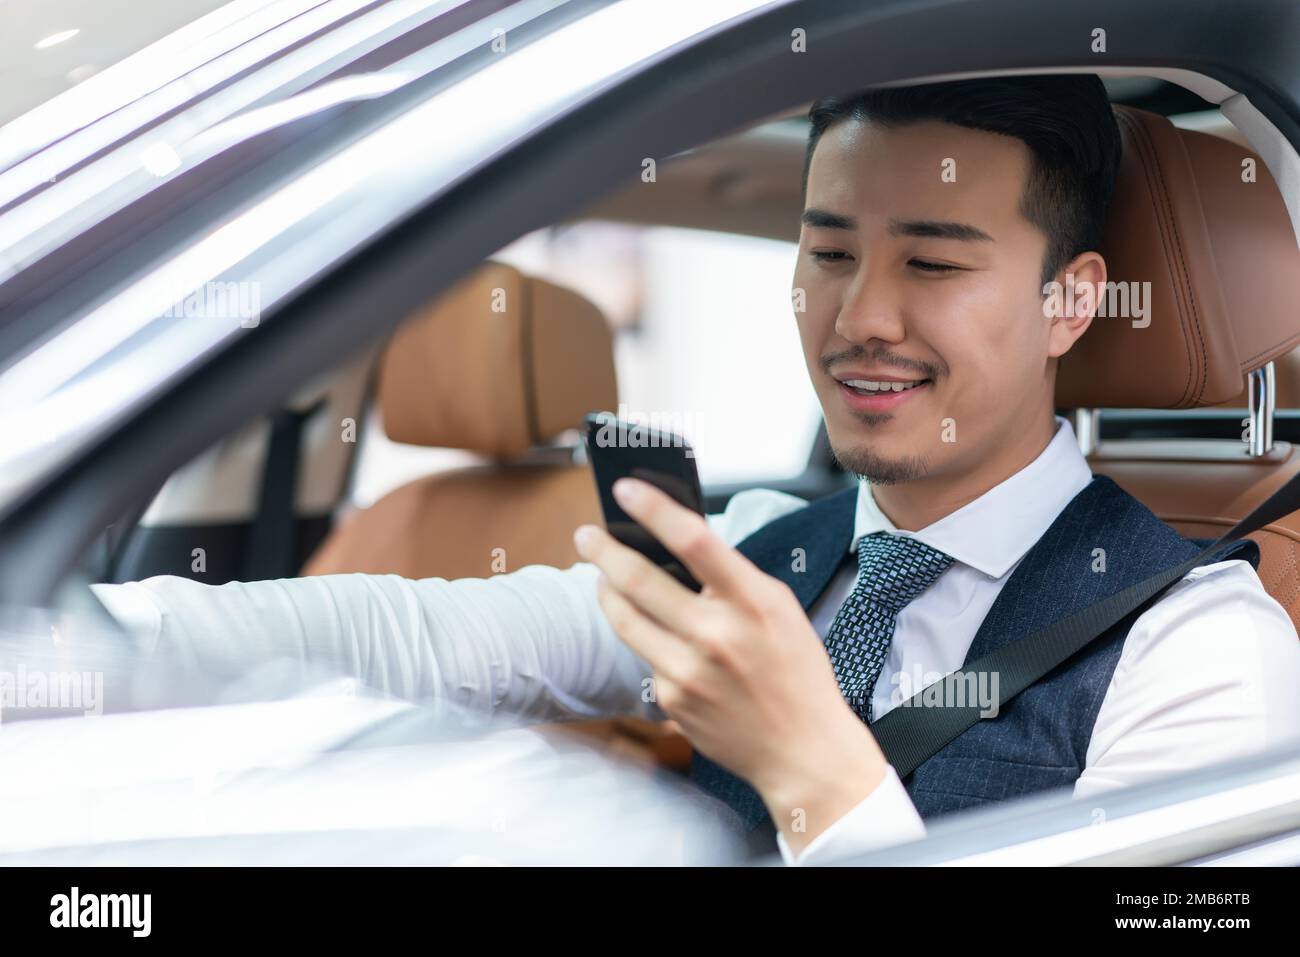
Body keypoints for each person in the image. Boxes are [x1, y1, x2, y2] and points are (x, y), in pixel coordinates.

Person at [92, 75, 1300, 865]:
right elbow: (410, 638)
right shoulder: (754, 550)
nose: (859, 317)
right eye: (827, 251)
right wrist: (81, 650)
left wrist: (806, 766)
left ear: (1067, 302)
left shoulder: (1199, 648)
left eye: (933, 265)